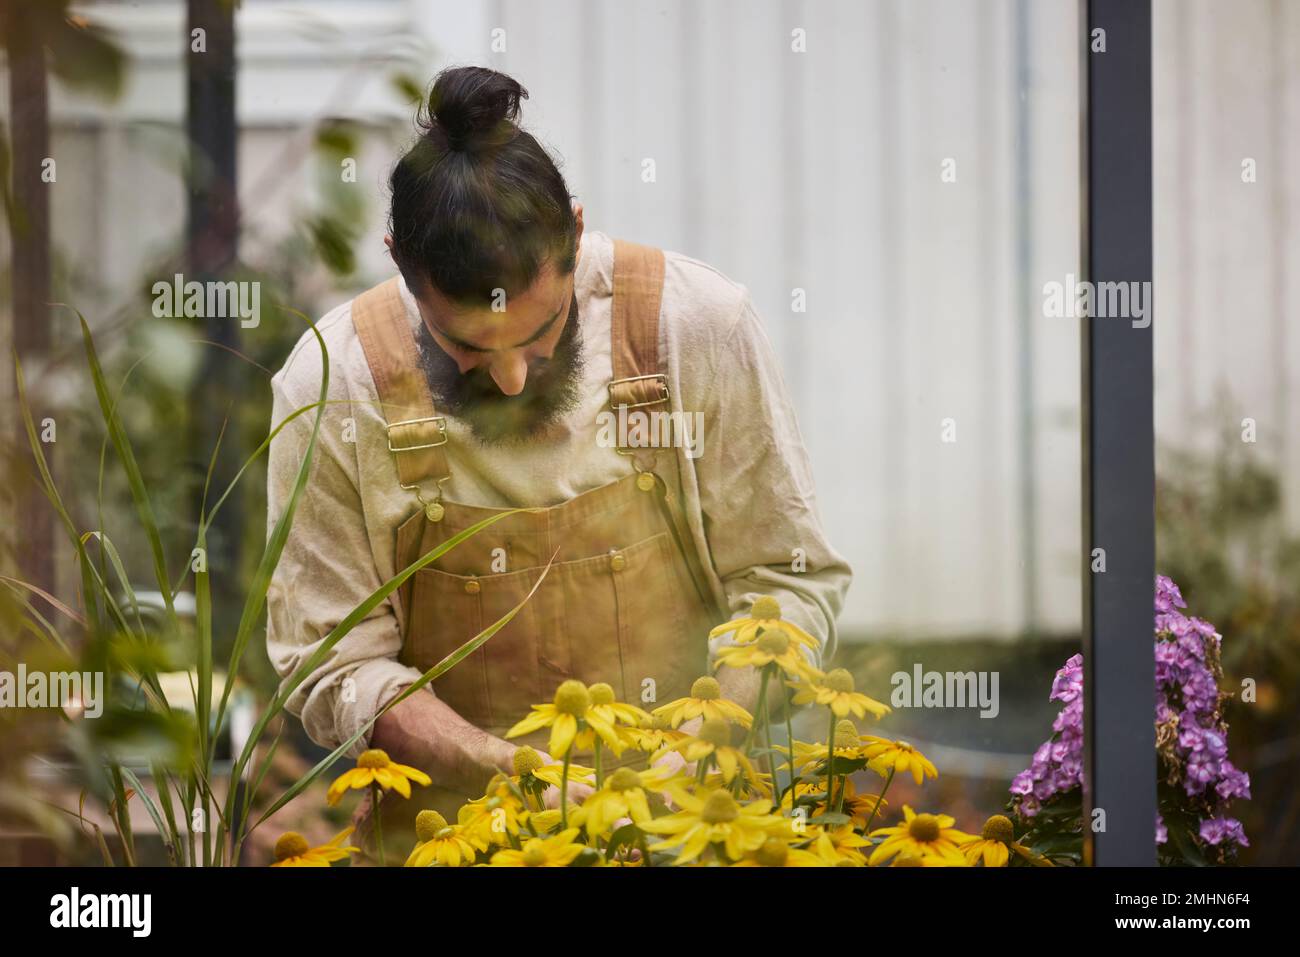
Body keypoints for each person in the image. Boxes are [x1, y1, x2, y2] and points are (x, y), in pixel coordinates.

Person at [265, 65, 850, 858]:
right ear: (399, 260)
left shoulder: (694, 327)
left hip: (694, 827)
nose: (510, 380)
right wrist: (505, 768)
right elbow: (334, 661)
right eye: (466, 346)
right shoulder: (335, 384)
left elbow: (786, 577)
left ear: (576, 232)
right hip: (451, 839)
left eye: (540, 337)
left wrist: (708, 739)